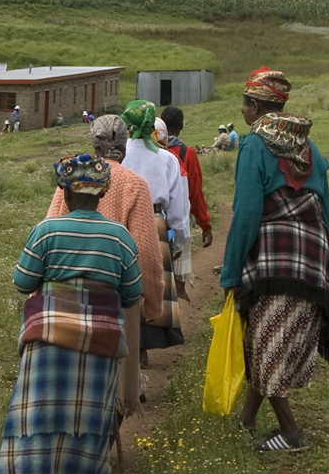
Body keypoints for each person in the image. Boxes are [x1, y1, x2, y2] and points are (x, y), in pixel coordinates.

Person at [1, 154, 143, 474]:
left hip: (49, 340)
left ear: (64, 190)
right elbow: (133, 295)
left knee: (53, 423)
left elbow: (21, 279)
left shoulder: (47, 231)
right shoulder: (119, 237)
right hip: (100, 342)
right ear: (103, 192)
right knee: (88, 418)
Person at [218, 68, 329, 454]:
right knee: (265, 338)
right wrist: (325, 258)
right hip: (311, 259)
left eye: (244, 103)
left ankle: (290, 432)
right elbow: (324, 208)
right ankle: (247, 420)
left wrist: (231, 271)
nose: (242, 110)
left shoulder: (255, 145)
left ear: (255, 105)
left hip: (275, 263)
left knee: (264, 342)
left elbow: (247, 213)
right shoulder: (308, 147)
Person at [47, 115, 162, 422]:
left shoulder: (72, 182)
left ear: (94, 145)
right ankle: (105, 443)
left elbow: (51, 227)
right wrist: (150, 303)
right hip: (115, 296)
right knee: (118, 378)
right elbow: (147, 254)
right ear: (124, 147)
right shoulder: (136, 184)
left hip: (67, 293)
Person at [120, 100, 191, 364]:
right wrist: (179, 240)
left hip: (120, 219)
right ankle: (142, 347)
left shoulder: (118, 154)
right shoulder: (167, 159)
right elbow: (178, 209)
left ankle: (124, 347)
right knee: (150, 282)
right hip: (154, 222)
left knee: (122, 282)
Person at [158, 107, 214, 274]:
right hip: (180, 218)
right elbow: (195, 192)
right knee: (179, 272)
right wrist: (205, 225)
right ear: (181, 127)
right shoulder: (186, 153)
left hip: (154, 218)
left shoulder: (153, 151)